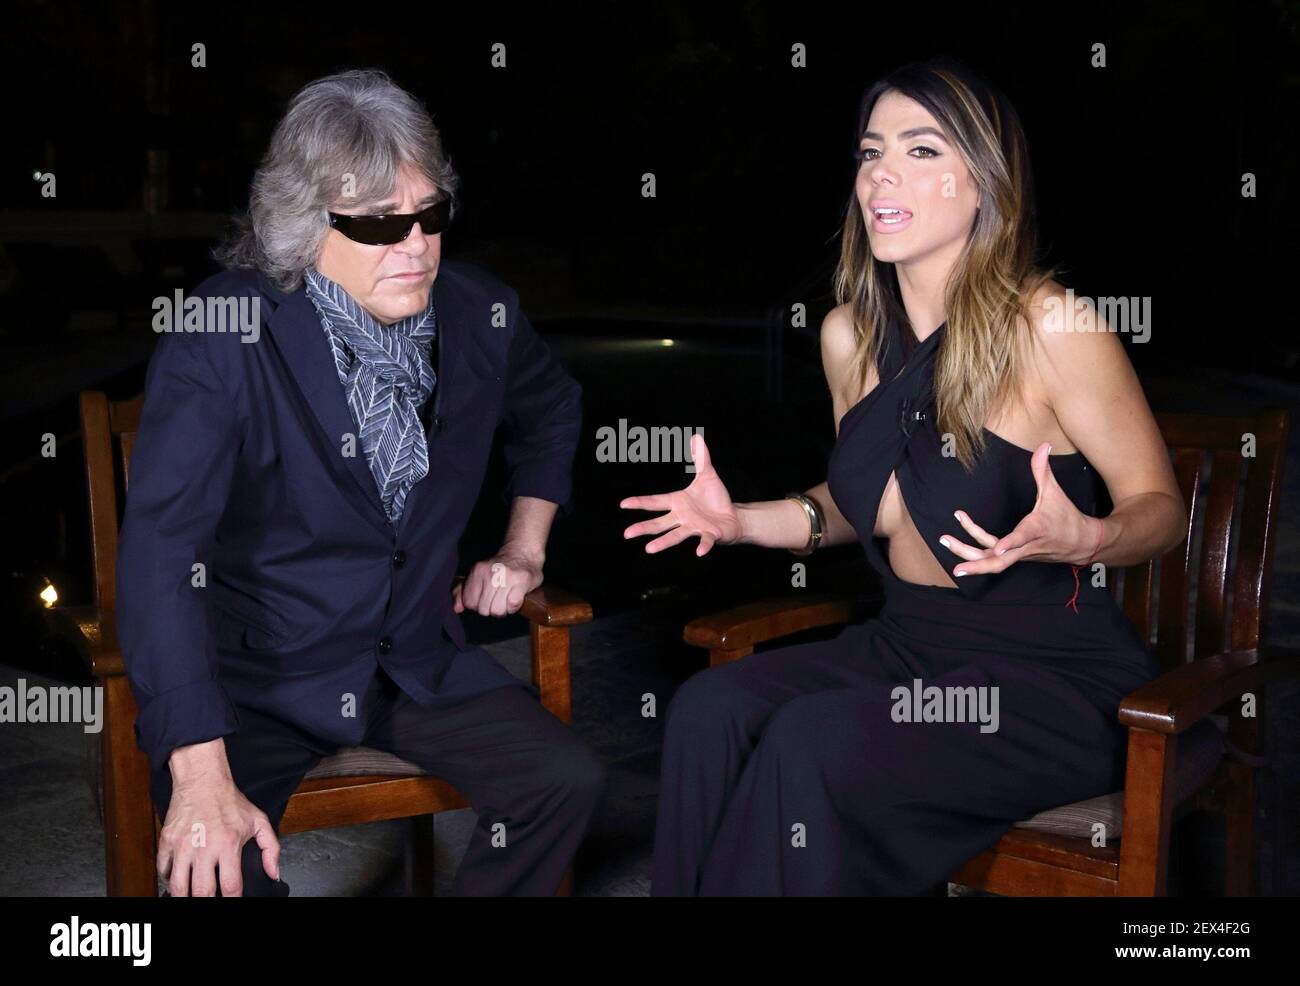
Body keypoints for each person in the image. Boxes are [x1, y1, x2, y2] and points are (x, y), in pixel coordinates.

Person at [621, 56, 1187, 895]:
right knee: (711, 710)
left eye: (921, 150)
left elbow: (1162, 509)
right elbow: (864, 507)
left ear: (984, 180)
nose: (882, 171)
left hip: (1047, 680)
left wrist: (1095, 536)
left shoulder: (1051, 326)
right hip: (907, 648)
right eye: (869, 150)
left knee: (810, 739)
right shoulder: (848, 335)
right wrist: (742, 520)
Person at [117, 69, 605, 897]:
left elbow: (552, 408)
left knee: (568, 782)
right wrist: (199, 774)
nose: (414, 244)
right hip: (257, 681)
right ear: (306, 230)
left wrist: (524, 548)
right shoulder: (221, 334)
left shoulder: (480, 314)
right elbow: (161, 559)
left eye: (429, 214)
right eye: (379, 224)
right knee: (214, 871)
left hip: (412, 663)